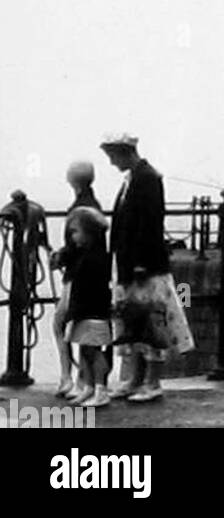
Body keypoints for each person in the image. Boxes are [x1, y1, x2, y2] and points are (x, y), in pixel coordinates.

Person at [100, 133, 194, 403]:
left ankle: (152, 382)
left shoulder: (147, 179)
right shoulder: (134, 179)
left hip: (145, 267)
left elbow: (150, 223)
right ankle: (136, 379)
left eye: (112, 157)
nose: (111, 163)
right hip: (130, 264)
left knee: (152, 323)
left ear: (124, 152)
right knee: (134, 323)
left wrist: (141, 263)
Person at [50, 161, 105, 399]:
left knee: (61, 324)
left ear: (71, 179)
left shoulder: (81, 210)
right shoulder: (94, 206)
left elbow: (76, 246)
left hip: (78, 281)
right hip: (87, 285)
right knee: (84, 338)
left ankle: (70, 379)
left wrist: (62, 255)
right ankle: (85, 383)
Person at [61, 206, 112, 407]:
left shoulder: (93, 259)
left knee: (94, 350)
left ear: (88, 233)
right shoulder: (87, 255)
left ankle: (100, 388)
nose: (73, 237)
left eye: (76, 232)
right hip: (86, 311)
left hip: (92, 311)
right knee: (85, 349)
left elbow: (88, 289)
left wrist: (74, 312)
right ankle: (89, 386)